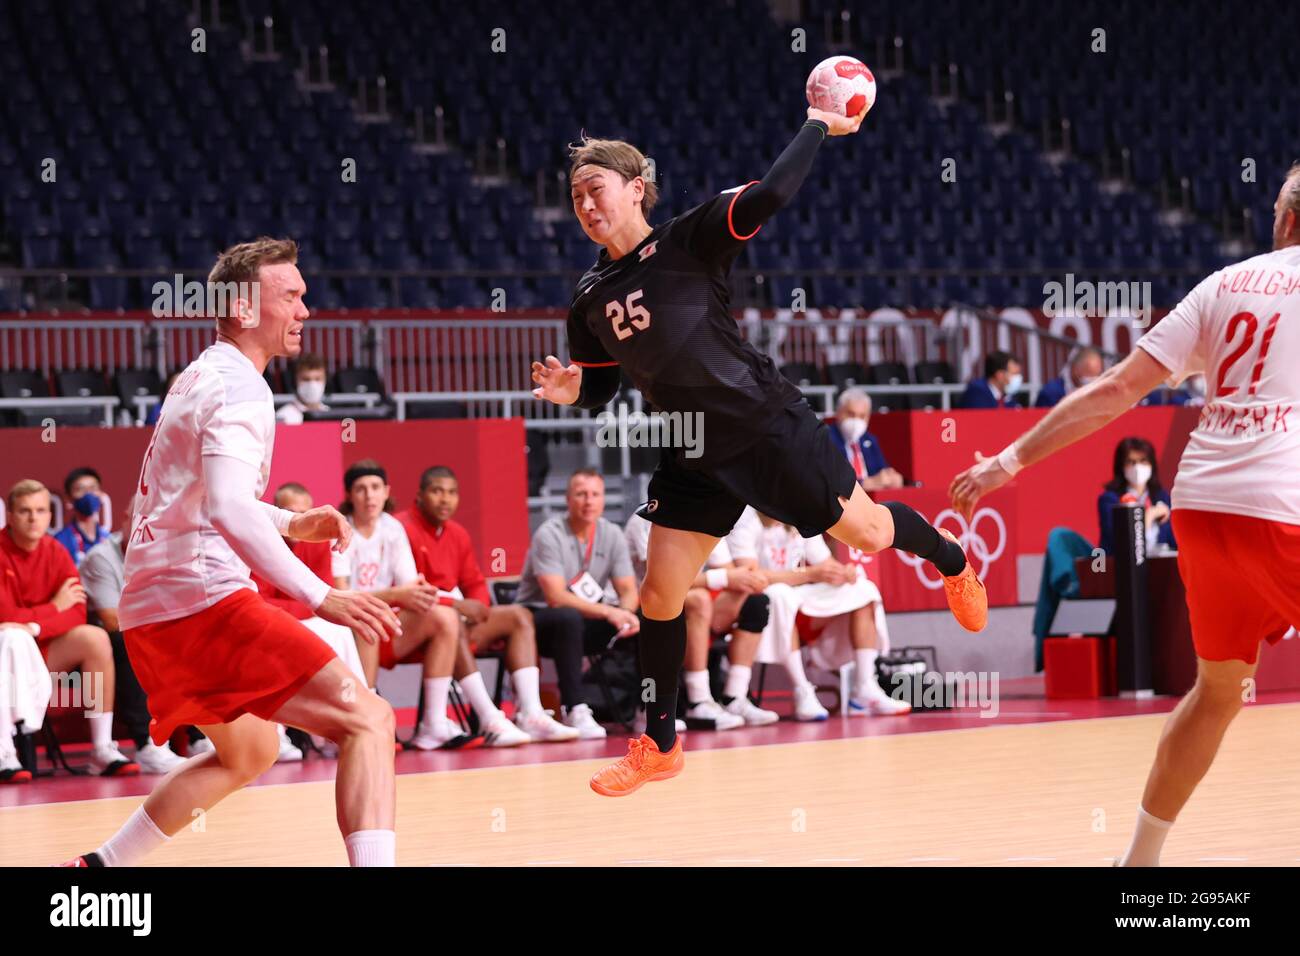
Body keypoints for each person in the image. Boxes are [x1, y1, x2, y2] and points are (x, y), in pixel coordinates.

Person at [532, 105, 985, 796]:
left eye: (597, 187)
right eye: (575, 196)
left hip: (766, 425)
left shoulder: (690, 238)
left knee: (865, 528)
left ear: (635, 187)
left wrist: (818, 124)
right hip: (690, 448)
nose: (586, 203)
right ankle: (658, 742)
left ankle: (952, 558)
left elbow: (770, 194)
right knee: (660, 595)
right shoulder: (589, 296)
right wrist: (571, 394)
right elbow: (596, 394)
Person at [949, 164, 1300, 867]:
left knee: (1218, 691)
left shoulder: (1225, 283)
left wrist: (1004, 463)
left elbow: (1114, 389)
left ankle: (1138, 866)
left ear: (1286, 217)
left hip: (1203, 506)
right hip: (1287, 503)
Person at [61, 238, 402, 868]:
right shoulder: (241, 388)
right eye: (291, 297)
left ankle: (98, 867)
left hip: (153, 613)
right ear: (244, 309)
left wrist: (292, 521)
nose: (306, 309)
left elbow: (209, 498)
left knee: (251, 752)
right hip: (199, 605)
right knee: (370, 721)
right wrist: (321, 595)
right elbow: (225, 507)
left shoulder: (201, 374)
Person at [337, 459, 528, 748]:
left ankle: (434, 724)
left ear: (386, 491)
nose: (369, 495)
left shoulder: (392, 528)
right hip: (349, 626)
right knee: (366, 619)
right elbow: (343, 598)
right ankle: (368, 721)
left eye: (375, 487)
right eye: (361, 489)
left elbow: (412, 588)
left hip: (388, 623)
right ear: (349, 495)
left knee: (444, 618)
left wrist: (450, 604)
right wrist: (395, 596)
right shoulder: (340, 531)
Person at [397, 466, 577, 742]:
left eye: (452, 493)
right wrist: (458, 608)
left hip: (454, 622)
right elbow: (408, 589)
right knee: (449, 620)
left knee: (518, 616)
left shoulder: (458, 533)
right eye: (437, 491)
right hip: (416, 627)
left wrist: (477, 609)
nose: (445, 500)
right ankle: (489, 718)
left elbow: (475, 583)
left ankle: (531, 713)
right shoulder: (401, 528)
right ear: (419, 495)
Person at [1, 479, 137, 776]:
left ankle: (102, 748)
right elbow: (5, 616)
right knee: (11, 637)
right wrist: (53, 608)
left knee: (95, 637)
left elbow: (76, 611)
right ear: (10, 516)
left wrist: (36, 626)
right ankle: (5, 752)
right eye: (24, 511)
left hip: (42, 647)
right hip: (5, 655)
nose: (33, 518)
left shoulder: (56, 551)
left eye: (40, 510)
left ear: (50, 516)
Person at [727, 508, 908, 717]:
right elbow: (751, 576)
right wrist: (809, 574)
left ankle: (864, 687)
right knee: (780, 594)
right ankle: (802, 690)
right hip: (761, 601)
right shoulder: (746, 517)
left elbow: (825, 564)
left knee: (863, 589)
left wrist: (842, 572)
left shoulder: (799, 515)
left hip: (800, 596)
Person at [514, 469, 640, 739]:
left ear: (604, 500)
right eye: (581, 494)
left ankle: (648, 708)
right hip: (538, 623)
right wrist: (610, 611)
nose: (588, 501)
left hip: (589, 618)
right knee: (567, 616)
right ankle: (575, 708)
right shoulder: (549, 533)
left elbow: (628, 588)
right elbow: (555, 597)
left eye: (595, 494)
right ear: (568, 499)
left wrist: (627, 613)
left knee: (648, 617)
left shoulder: (612, 533)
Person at [251, 481, 370, 759]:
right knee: (267, 632)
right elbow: (260, 600)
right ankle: (276, 736)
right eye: (293, 513)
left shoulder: (317, 542)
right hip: (266, 620)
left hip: (300, 618)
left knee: (340, 630)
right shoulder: (258, 539)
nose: (301, 519)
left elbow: (325, 594)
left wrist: (307, 606)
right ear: (279, 513)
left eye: (306, 512)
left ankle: (347, 722)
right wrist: (307, 606)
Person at [625, 511, 771, 730]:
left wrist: (749, 578)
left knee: (755, 601)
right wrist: (724, 578)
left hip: (690, 607)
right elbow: (661, 583)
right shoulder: (649, 516)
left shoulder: (708, 514)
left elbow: (731, 573)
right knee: (698, 600)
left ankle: (734, 697)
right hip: (643, 607)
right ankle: (696, 700)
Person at [79, 494, 187, 773]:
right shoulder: (100, 557)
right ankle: (148, 744)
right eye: (137, 519)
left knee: (193, 640)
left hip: (151, 634)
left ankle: (201, 737)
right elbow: (111, 618)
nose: (144, 527)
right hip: (102, 650)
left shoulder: (168, 554)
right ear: (126, 521)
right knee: (131, 641)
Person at [1096, 437, 1176, 555]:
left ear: (1152, 465)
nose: (1137, 467)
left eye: (1143, 461)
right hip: (1122, 568)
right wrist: (1149, 515)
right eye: (1131, 462)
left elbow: (1174, 542)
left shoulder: (1162, 497)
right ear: (1121, 467)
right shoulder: (1110, 500)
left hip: (1159, 565)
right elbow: (1120, 543)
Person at [827, 388, 905, 491]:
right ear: (838, 411)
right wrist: (863, 484)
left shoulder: (870, 440)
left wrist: (892, 478)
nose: (856, 421)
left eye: (862, 416)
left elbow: (882, 471)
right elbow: (831, 479)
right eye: (851, 414)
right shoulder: (826, 438)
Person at [53, 467, 111, 567]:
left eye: (93, 488)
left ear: (101, 494)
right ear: (68, 499)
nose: (88, 495)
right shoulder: (60, 541)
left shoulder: (109, 539)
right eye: (80, 489)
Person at [1035, 347, 1103, 407]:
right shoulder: (1051, 393)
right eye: (1089, 375)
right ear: (1074, 369)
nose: (1092, 381)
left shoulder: (1098, 394)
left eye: (1096, 376)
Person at [276, 352, 329, 424]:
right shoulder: (284, 417)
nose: (312, 384)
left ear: (325, 381)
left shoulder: (329, 414)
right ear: (294, 382)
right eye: (306, 379)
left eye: (317, 379)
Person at [960, 351, 1024, 409]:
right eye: (1014, 374)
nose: (1018, 378)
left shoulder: (1009, 394)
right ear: (1000, 375)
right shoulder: (976, 391)